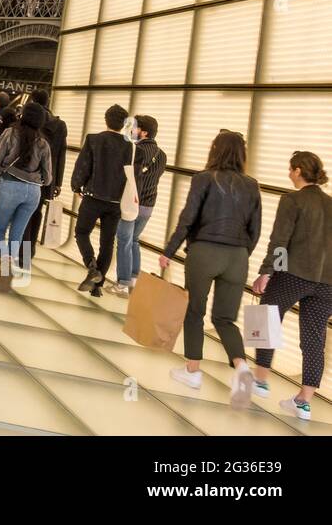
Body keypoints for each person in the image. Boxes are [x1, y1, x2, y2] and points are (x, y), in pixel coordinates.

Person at [161, 130, 262, 408]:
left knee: (195, 311)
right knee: (225, 318)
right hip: (238, 256)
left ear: (215, 150)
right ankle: (241, 366)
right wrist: (241, 254)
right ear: (242, 153)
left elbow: (187, 219)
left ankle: (193, 372)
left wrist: (169, 251)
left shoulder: (204, 178)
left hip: (205, 251)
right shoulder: (252, 184)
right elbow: (255, 230)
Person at [250, 151, 332, 421]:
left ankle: (260, 380)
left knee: (265, 315)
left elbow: (280, 241)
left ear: (298, 171)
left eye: (290, 169)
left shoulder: (292, 200)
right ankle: (304, 402)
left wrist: (267, 272)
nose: (288, 174)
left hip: (293, 273)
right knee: (314, 340)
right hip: (327, 284)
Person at [0, 101, 53, 276]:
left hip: (10, 186)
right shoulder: (43, 144)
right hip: (33, 193)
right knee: (17, 233)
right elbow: (48, 179)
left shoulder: (10, 133)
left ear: (22, 115)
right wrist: (33, 178)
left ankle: (5, 260)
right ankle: (8, 267)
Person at [71, 103, 133, 297]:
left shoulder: (94, 139)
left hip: (93, 196)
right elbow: (129, 173)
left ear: (106, 119)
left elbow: (83, 165)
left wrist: (76, 185)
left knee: (82, 232)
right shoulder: (128, 145)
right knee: (107, 242)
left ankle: (92, 268)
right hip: (115, 202)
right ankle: (97, 287)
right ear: (123, 125)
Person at [113, 114, 167, 296]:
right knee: (134, 240)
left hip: (132, 203)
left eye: (135, 128)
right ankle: (134, 281)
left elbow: (128, 177)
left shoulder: (135, 151)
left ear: (143, 132)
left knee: (124, 241)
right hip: (149, 205)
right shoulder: (162, 155)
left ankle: (122, 283)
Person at [18, 89, 69, 268]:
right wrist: (58, 182)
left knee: (23, 212)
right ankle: (29, 250)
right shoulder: (60, 125)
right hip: (47, 177)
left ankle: (22, 252)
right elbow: (61, 155)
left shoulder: (31, 121)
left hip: (27, 174)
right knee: (36, 212)